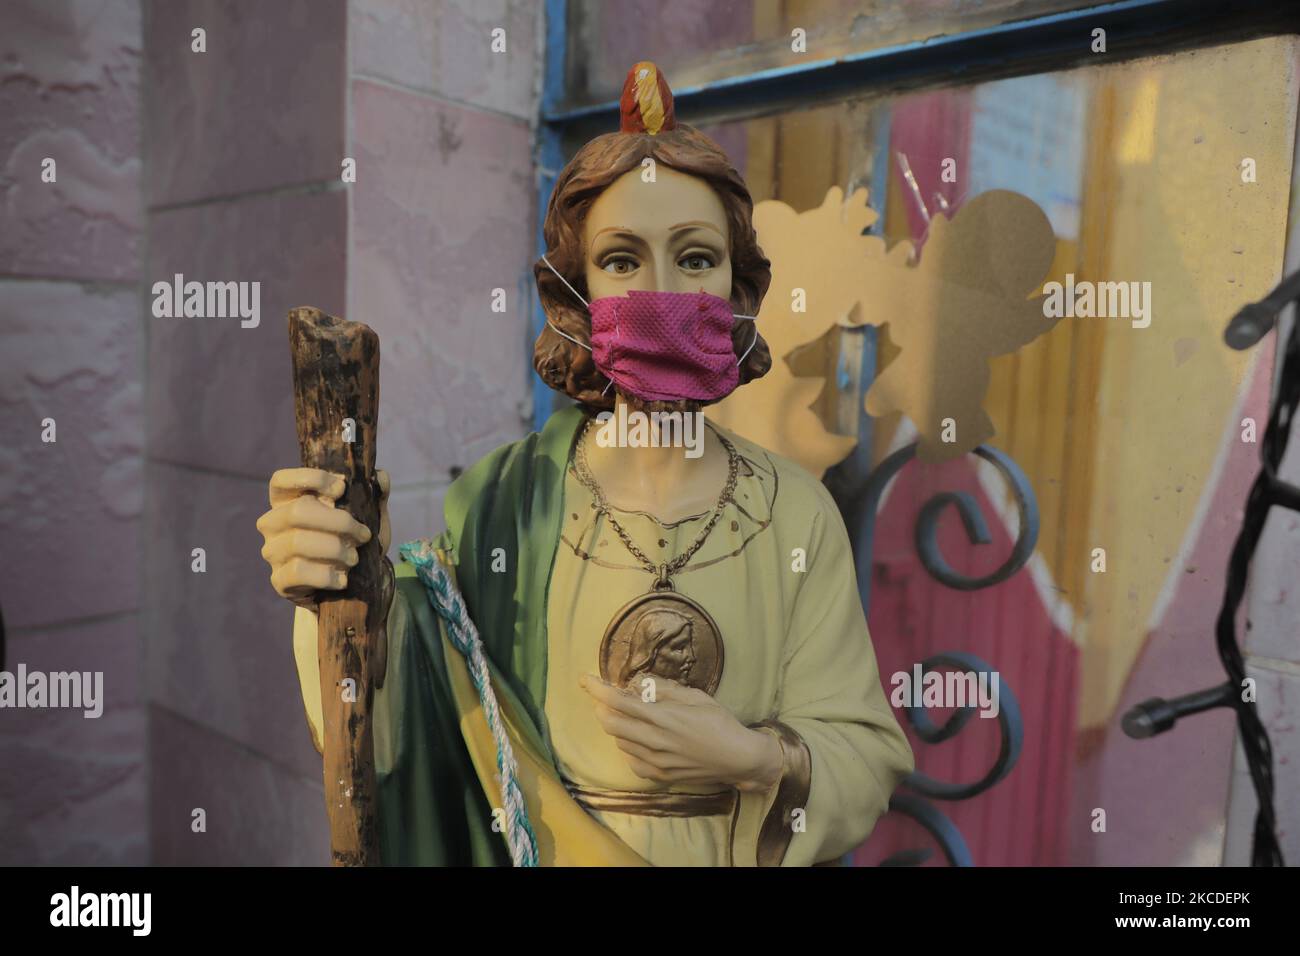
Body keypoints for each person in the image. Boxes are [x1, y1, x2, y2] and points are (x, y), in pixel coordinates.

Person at [256, 61, 913, 866]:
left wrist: (756, 759)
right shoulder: (503, 503)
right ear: (576, 297)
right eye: (624, 261)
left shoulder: (796, 514)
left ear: (739, 290)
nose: (663, 294)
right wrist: (340, 588)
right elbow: (408, 718)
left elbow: (865, 755)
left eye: (697, 259)